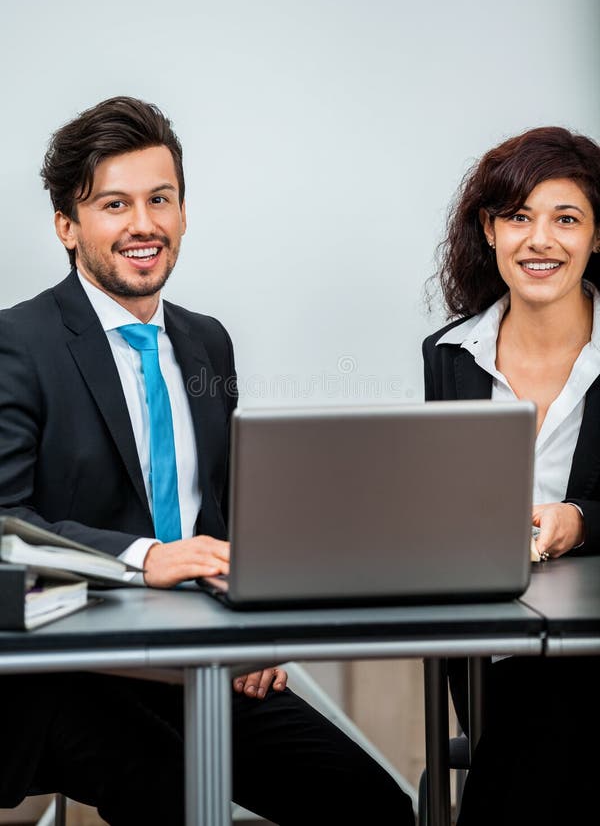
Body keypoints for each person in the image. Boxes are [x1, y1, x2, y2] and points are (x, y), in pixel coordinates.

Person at [0, 96, 415, 826]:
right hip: (69, 669)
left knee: (373, 805)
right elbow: (7, 523)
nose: (144, 224)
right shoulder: (19, 344)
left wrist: (252, 622)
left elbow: (222, 514)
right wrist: (145, 557)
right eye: (115, 204)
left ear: (184, 213)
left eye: (160, 199)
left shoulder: (206, 344)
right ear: (67, 225)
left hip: (201, 654)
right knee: (178, 796)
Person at [422, 125, 600, 825]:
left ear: (597, 236)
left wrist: (580, 521)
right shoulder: (450, 354)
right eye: (518, 217)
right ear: (490, 231)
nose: (540, 240)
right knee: (533, 708)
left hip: (590, 641)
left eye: (567, 219)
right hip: (492, 648)